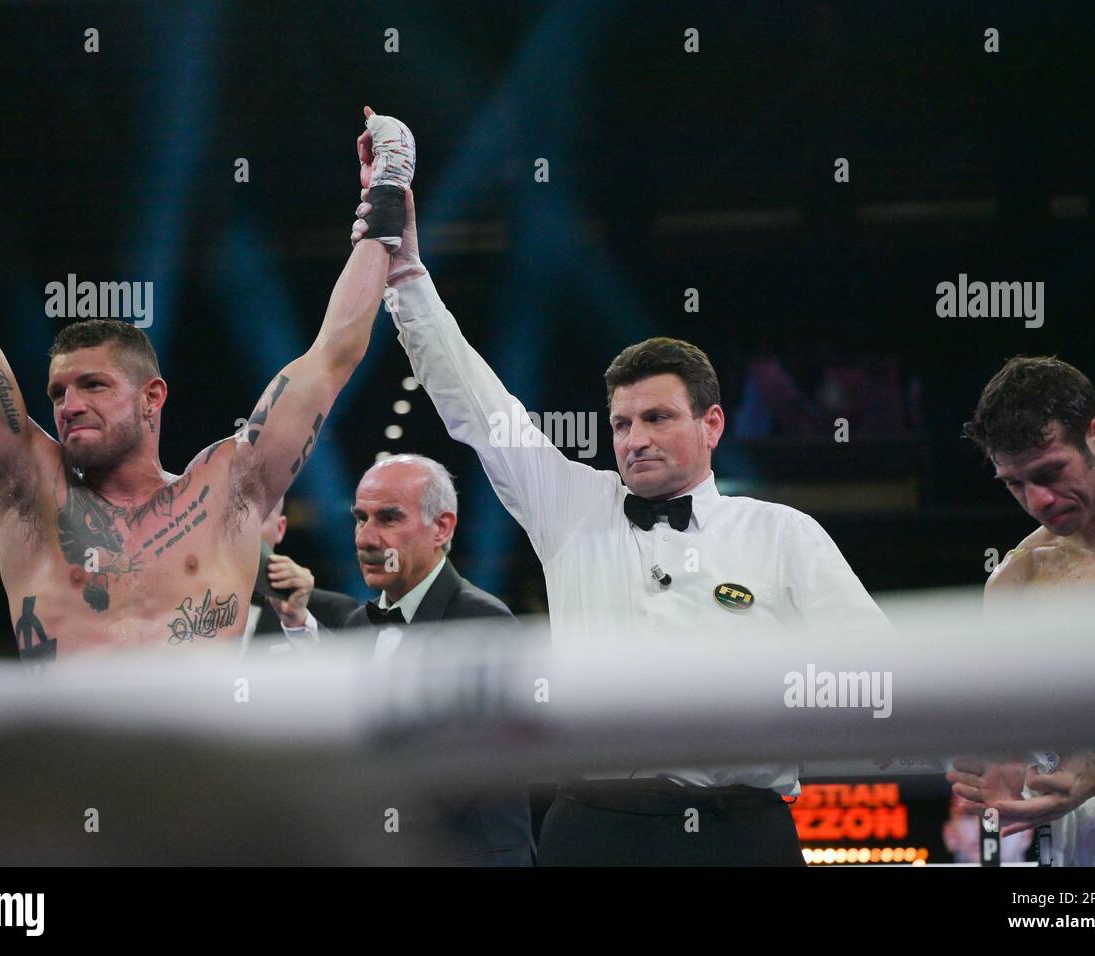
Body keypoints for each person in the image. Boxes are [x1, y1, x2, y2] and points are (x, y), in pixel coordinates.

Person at [349, 120, 889, 866]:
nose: (633, 438)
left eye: (657, 418)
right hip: (595, 826)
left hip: (743, 830)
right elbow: (479, 406)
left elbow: (878, 674)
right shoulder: (570, 505)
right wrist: (408, 273)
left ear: (712, 423)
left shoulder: (783, 535)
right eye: (622, 422)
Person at [0, 36, 411, 659]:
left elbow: (333, 353)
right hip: (72, 753)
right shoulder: (29, 487)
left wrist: (386, 196)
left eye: (93, 385)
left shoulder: (229, 488)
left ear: (152, 397)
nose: (68, 404)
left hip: (202, 753)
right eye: (58, 391)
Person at [948, 355, 1095, 865]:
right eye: (1014, 483)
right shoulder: (1016, 579)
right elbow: (1015, 727)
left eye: (1050, 471)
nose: (1037, 499)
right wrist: (1003, 767)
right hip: (1078, 826)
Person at [338, 453, 536, 866]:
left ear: (441, 528)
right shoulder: (356, 628)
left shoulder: (483, 622)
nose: (366, 538)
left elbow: (472, 777)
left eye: (388, 518)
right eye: (361, 518)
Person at [238, 496, 359, 657]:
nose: (243, 531)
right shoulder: (193, 609)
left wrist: (299, 621)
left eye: (257, 519)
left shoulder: (331, 611)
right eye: (231, 519)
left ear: (280, 529)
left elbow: (348, 679)